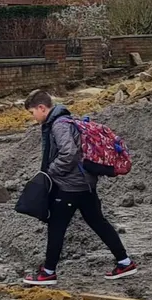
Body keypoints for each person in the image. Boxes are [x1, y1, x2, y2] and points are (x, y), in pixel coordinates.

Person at [22, 90, 137, 286]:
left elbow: (69, 153)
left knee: (57, 226)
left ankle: (48, 272)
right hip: (85, 183)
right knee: (98, 221)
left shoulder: (58, 126)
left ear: (42, 108)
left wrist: (50, 172)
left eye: (32, 112)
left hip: (70, 186)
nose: (33, 118)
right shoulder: (66, 120)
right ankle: (124, 262)